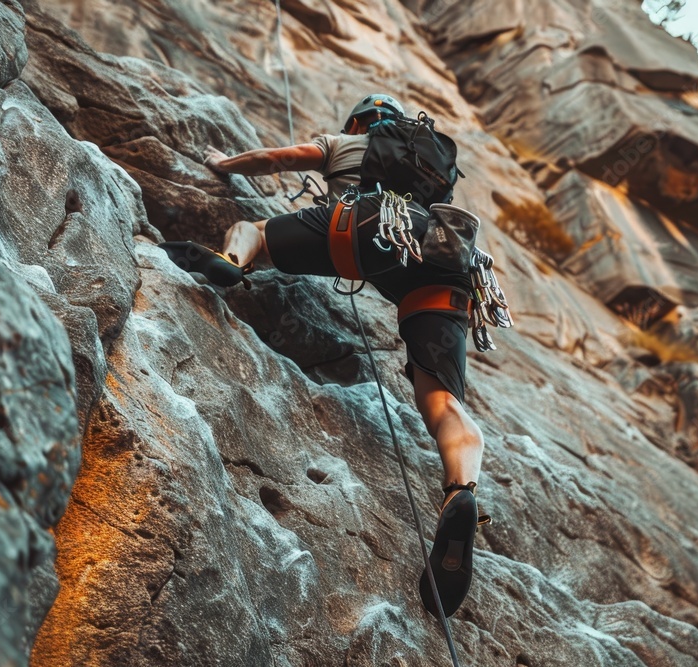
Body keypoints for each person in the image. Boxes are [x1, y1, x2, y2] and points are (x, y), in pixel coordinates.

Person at [160, 94, 489, 617]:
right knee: (443, 402)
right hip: (442, 258)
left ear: (361, 122)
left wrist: (224, 164)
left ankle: (231, 261)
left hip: (368, 228)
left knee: (257, 231)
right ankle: (460, 490)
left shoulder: (351, 142)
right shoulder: (433, 172)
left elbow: (279, 159)